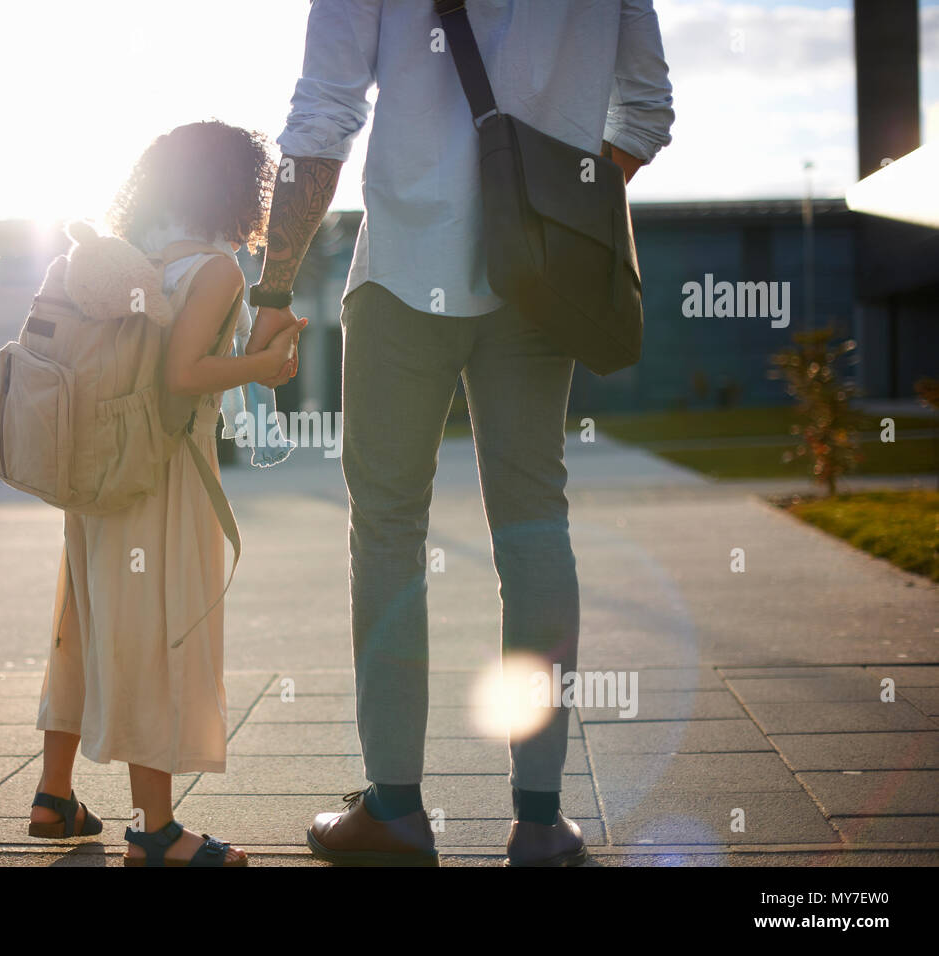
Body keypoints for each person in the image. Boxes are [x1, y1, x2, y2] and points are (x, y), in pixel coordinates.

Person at [245, 0, 674, 866]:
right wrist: (551, 210)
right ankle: (541, 821)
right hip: (538, 287)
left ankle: (396, 811)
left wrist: (271, 290)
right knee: (534, 525)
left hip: (404, 269)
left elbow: (323, 117)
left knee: (389, 533)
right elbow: (648, 109)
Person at [28, 121, 304, 867]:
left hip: (95, 469)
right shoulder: (215, 270)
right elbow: (181, 378)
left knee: (82, 621)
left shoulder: (129, 261)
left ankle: (55, 796)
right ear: (236, 189)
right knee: (157, 635)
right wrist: (265, 367)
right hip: (162, 472)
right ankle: (156, 833)